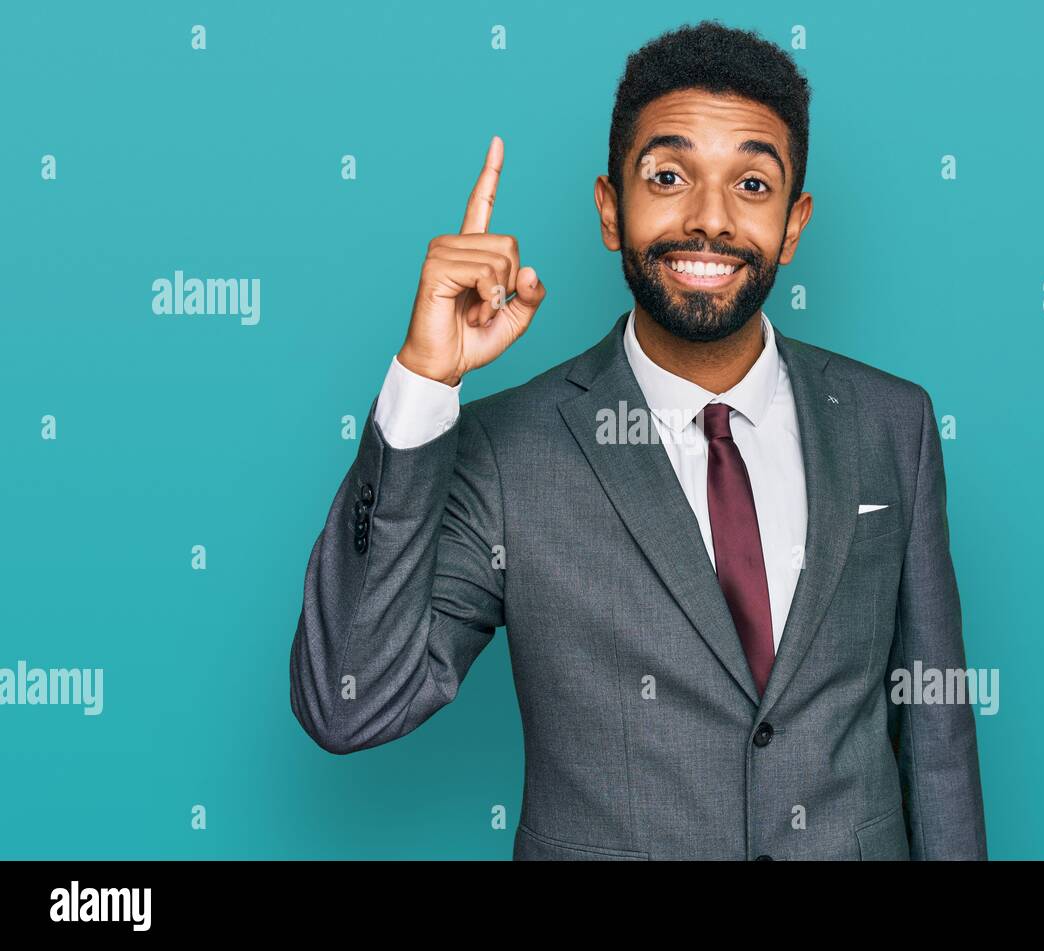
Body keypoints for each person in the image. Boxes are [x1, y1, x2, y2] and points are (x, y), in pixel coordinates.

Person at [290, 20, 987, 861]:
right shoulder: (510, 452)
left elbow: (939, 738)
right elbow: (348, 702)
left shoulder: (893, 423)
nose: (710, 221)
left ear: (795, 225)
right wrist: (424, 382)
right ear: (610, 211)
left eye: (753, 186)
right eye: (668, 176)